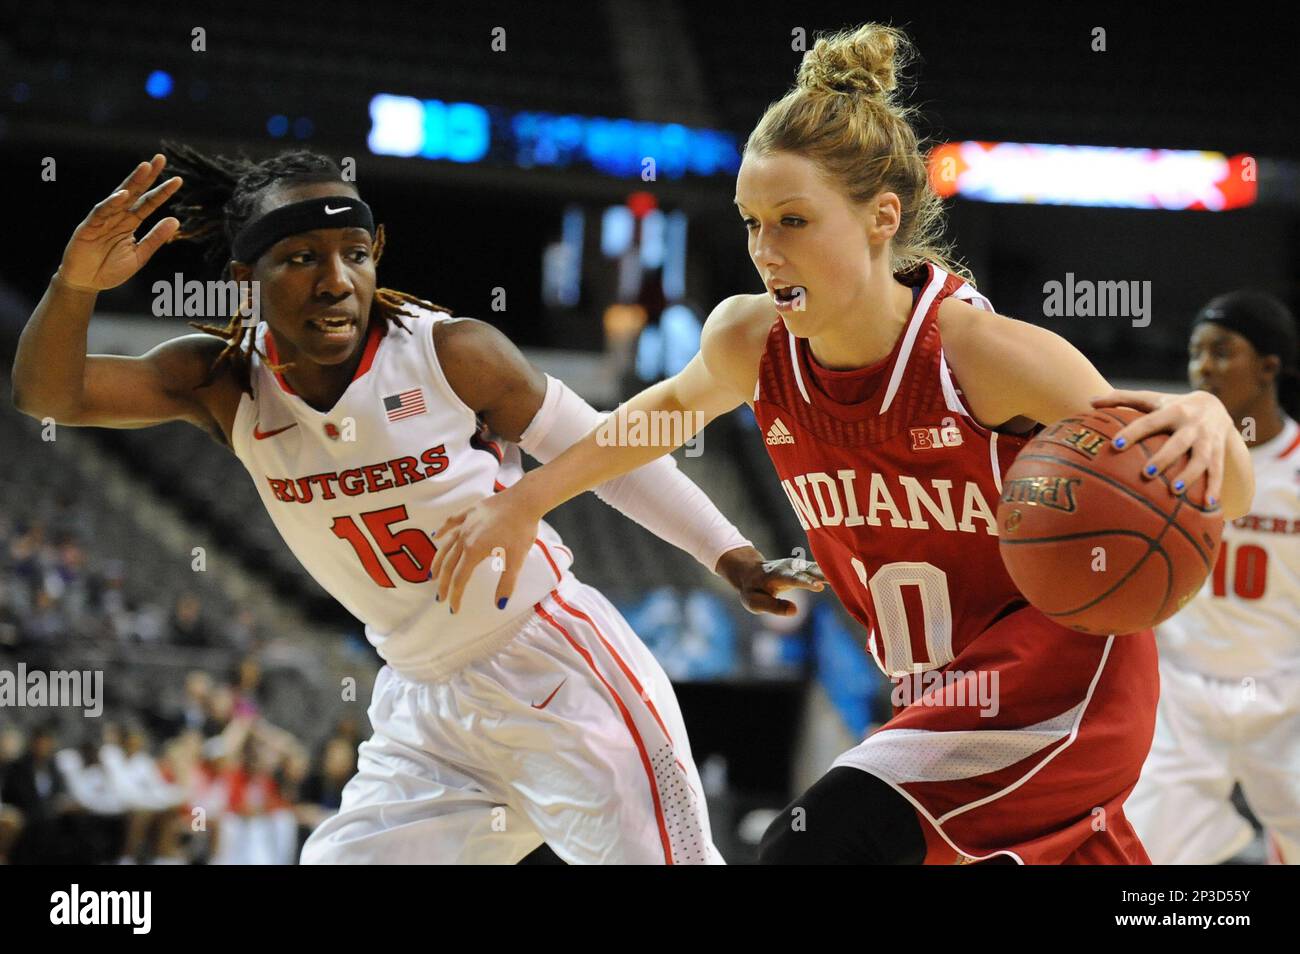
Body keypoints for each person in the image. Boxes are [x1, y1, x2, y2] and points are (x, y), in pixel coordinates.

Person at [429, 23, 1255, 865]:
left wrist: (1214, 425)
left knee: (809, 846)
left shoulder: (980, 356)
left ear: (880, 218)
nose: (764, 250)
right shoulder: (749, 343)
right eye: (752, 222)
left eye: (793, 220)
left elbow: (1197, 486)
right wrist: (526, 498)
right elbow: (658, 418)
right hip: (932, 698)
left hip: (1062, 681)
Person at [11, 146, 822, 864]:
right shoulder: (221, 382)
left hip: (554, 666)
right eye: (299, 258)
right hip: (422, 705)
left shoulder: (448, 354)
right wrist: (72, 285)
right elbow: (48, 392)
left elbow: (602, 454)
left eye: (354, 254)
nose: (335, 281)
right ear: (242, 283)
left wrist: (729, 552)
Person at [1125, 291, 1300, 864]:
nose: (1203, 367)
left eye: (1223, 352)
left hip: (1286, 694)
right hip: (1181, 692)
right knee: (1147, 859)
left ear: (1270, 366)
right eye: (1197, 353)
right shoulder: (1164, 460)